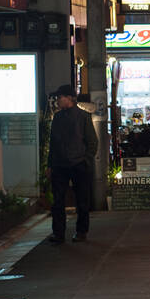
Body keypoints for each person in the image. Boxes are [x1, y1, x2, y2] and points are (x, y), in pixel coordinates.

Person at [48, 85, 99, 244]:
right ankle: (59, 233)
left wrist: (86, 159)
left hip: (78, 164)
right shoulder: (57, 117)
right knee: (58, 201)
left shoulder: (83, 116)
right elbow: (53, 143)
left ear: (69, 98)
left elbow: (92, 142)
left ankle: (81, 231)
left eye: (59, 98)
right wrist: (50, 165)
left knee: (81, 200)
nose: (57, 101)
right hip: (60, 164)